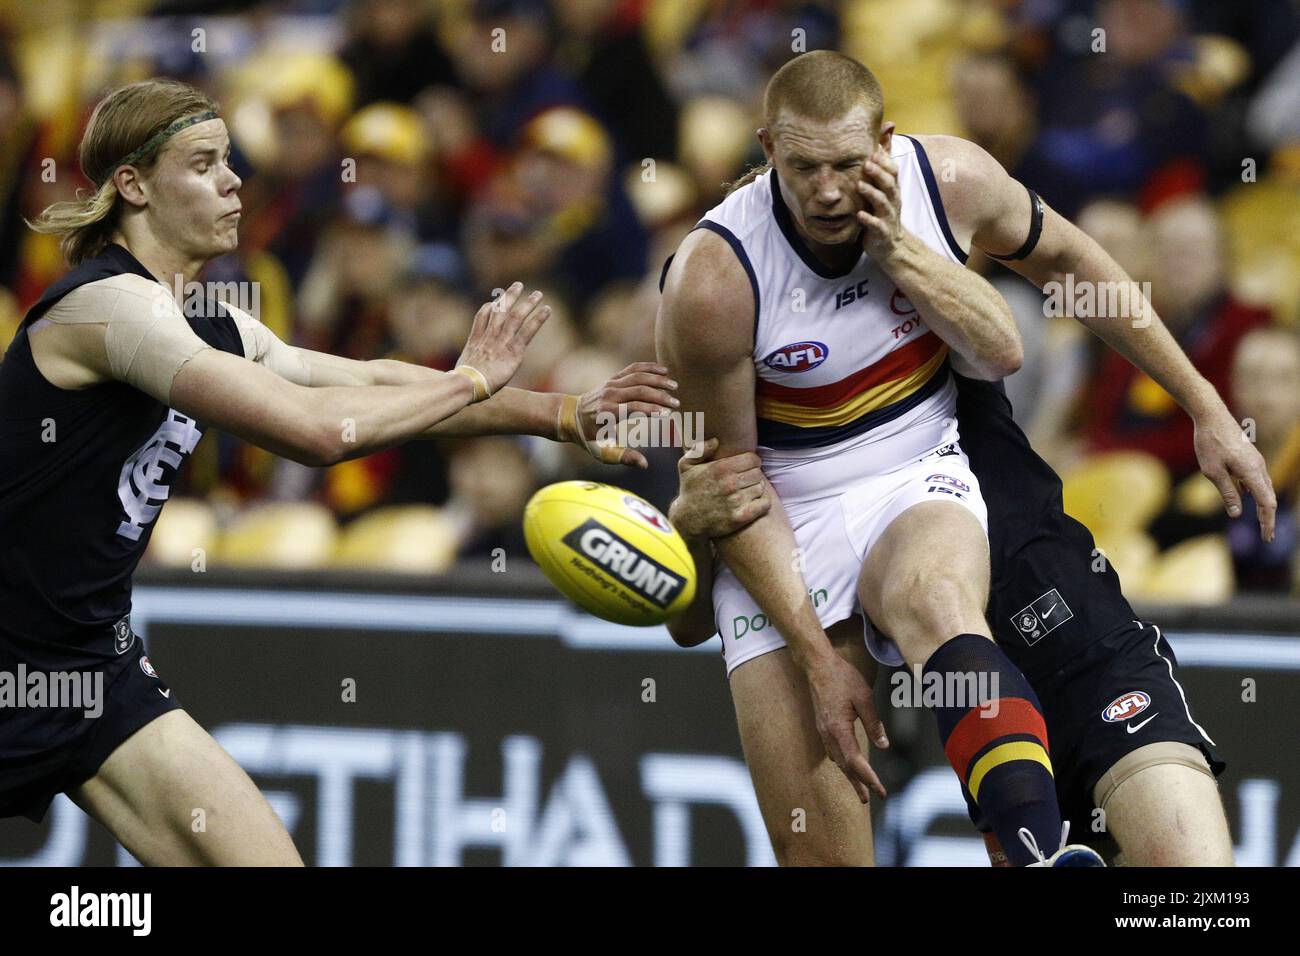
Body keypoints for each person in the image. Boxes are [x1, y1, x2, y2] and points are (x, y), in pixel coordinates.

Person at [0, 78, 678, 865]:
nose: (232, 181)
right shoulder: (107, 310)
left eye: (232, 161)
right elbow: (317, 433)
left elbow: (366, 382)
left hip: (92, 668)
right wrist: (467, 380)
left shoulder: (216, 324)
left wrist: (561, 415)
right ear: (133, 186)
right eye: (203, 163)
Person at [655, 51, 1272, 867]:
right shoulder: (712, 280)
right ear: (768, 148)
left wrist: (1203, 404)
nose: (830, 190)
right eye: (804, 167)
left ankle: (1032, 853)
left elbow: (1070, 274)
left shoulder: (947, 180)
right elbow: (732, 486)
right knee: (822, 853)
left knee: (940, 601)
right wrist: (812, 650)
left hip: (914, 466)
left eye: (848, 164)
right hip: (779, 506)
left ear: (886, 141)